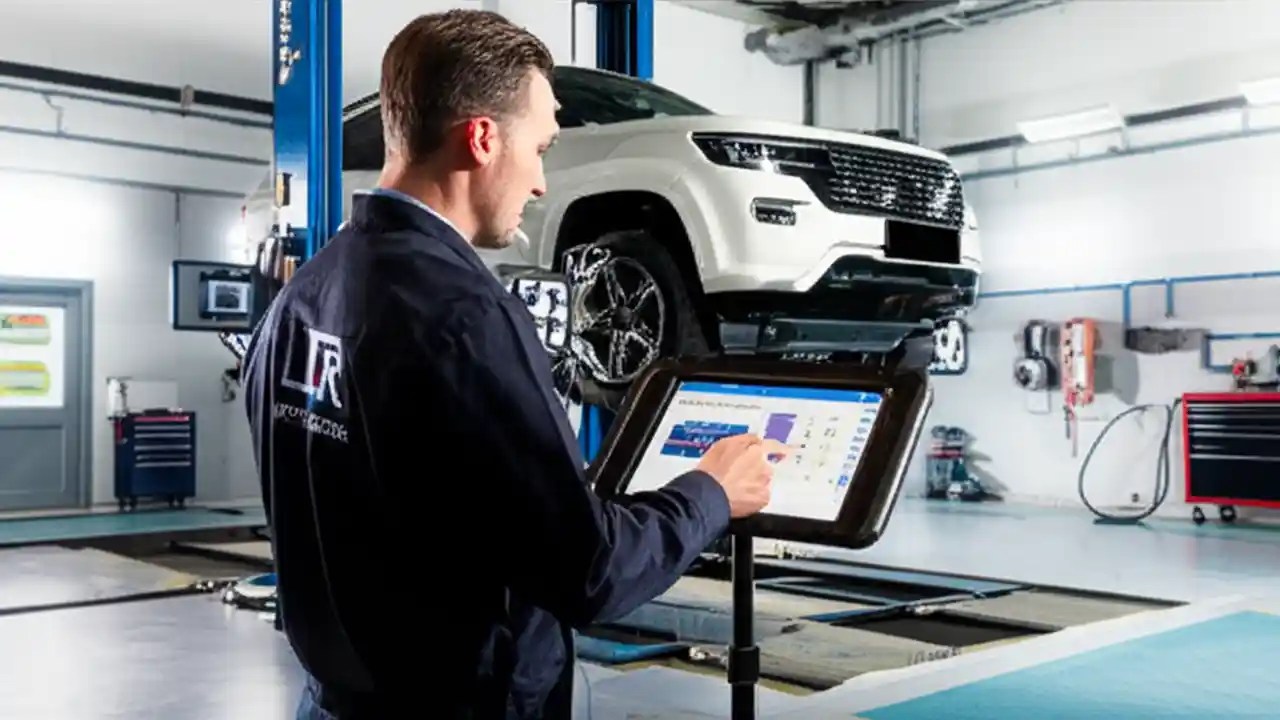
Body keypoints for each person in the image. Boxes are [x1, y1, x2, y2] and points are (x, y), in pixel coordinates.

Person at [241, 9, 786, 720]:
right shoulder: (466, 318)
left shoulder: (298, 302)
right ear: (482, 138)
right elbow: (590, 574)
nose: (538, 182)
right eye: (541, 148)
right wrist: (711, 492)